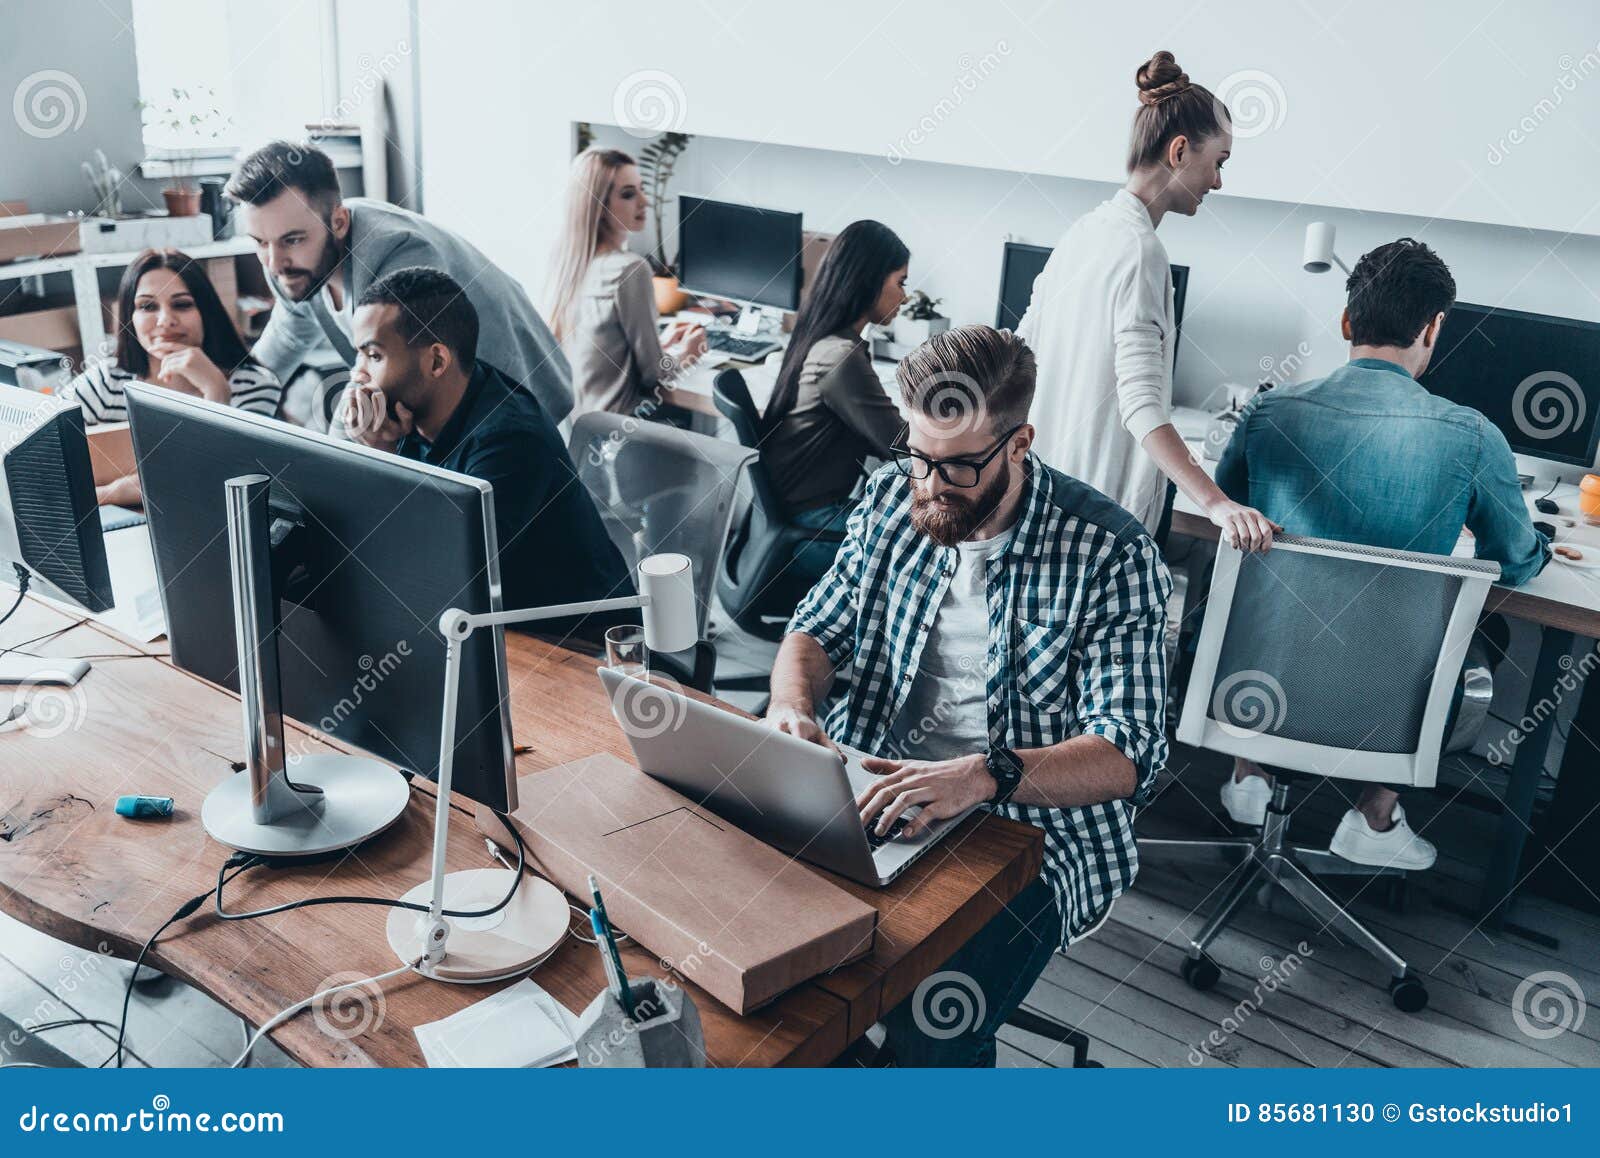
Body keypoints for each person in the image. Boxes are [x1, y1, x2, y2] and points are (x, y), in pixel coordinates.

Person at [766, 325, 1171, 1066]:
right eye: (918, 456)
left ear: (1019, 444)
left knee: (932, 1029)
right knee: (770, 967)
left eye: (956, 466)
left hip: (1033, 831)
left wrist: (982, 775)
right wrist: (793, 706)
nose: (928, 485)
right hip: (874, 788)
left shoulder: (1110, 552)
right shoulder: (890, 498)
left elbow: (1128, 752)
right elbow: (815, 630)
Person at [1214, 238, 1552, 869]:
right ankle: (1374, 814)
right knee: (1488, 631)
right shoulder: (1474, 437)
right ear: (1432, 328)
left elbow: (1226, 514)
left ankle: (1248, 772)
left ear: (1347, 321)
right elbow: (1513, 562)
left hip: (1254, 687)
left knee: (1260, 596)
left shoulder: (1266, 411)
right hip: (1380, 704)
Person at [1018, 50, 1276, 551]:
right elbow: (1141, 405)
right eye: (1218, 162)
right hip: (1099, 519)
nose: (1218, 181)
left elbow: (1020, 353)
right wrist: (1218, 504)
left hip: (1045, 496)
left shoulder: (1083, 232)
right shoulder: (1141, 251)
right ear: (1179, 151)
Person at [341, 266, 633, 639]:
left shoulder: (509, 440)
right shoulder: (412, 414)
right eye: (359, 355)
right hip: (493, 630)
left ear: (436, 362)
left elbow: (437, 575)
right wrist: (381, 453)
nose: (357, 375)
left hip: (579, 644)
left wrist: (383, 458)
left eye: (373, 356)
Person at [225, 141, 572, 429]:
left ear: (339, 222)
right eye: (260, 242)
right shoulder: (292, 263)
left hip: (516, 401)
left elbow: (371, 386)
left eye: (293, 240)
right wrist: (230, 424)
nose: (274, 263)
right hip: (439, 412)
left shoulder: (399, 255)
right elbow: (280, 347)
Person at [65, 248, 281, 507]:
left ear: (206, 312)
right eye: (147, 306)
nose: (165, 320)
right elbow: (38, 442)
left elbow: (218, 477)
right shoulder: (107, 380)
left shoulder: (255, 385)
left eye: (181, 304)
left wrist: (216, 391)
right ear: (130, 317)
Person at [759, 219, 910, 585]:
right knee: (930, 544)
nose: (904, 297)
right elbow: (901, 447)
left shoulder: (822, 339)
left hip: (795, 521)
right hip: (811, 530)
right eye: (900, 282)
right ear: (870, 280)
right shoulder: (840, 357)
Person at [546, 147, 707, 419]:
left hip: (583, 430)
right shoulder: (630, 270)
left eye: (642, 189)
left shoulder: (567, 263)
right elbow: (657, 375)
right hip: (624, 430)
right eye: (628, 194)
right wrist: (690, 353)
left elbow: (601, 358)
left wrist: (660, 344)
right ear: (599, 207)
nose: (644, 201)